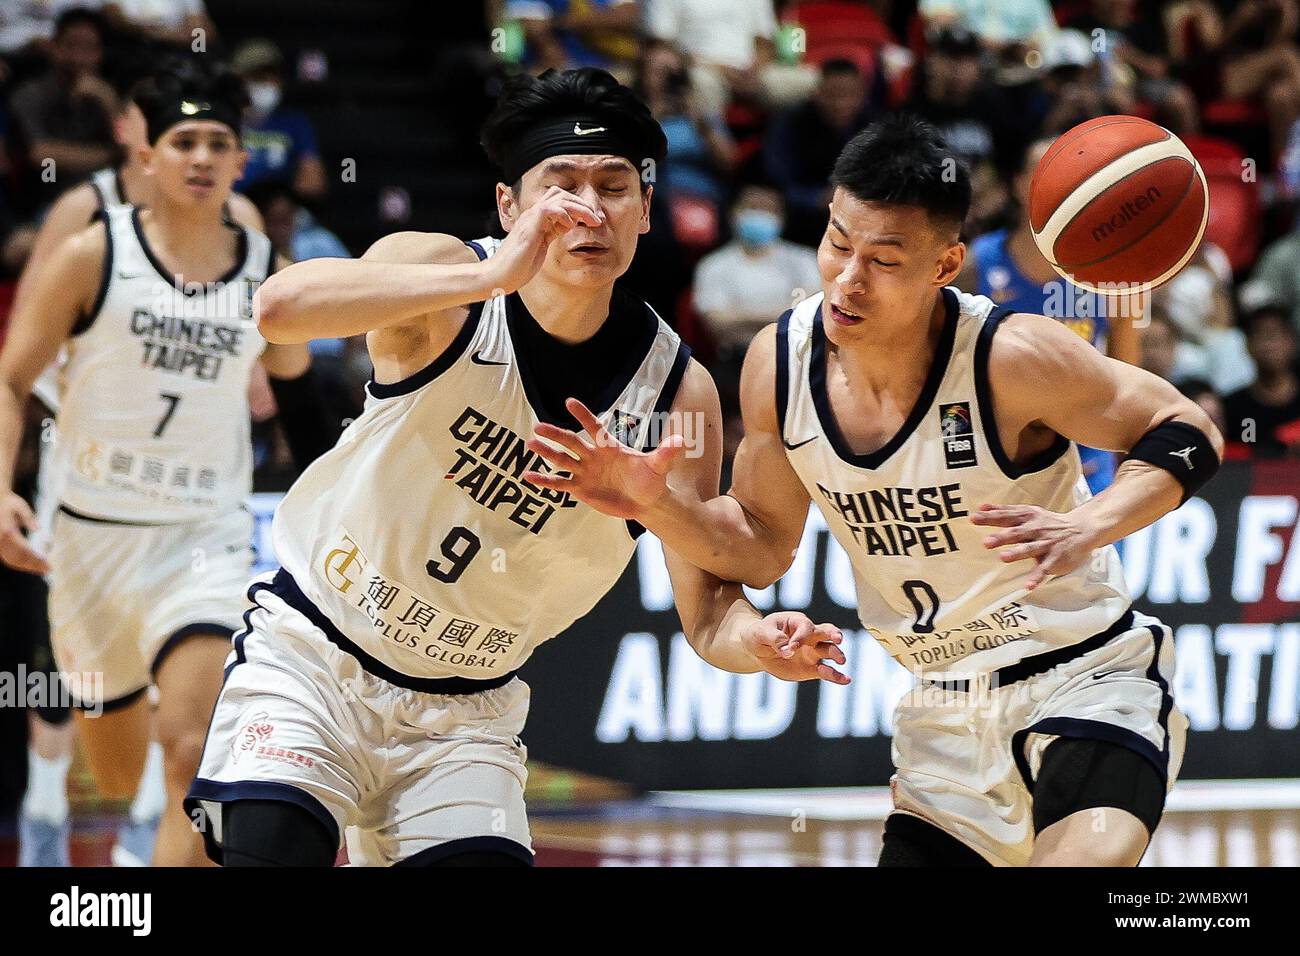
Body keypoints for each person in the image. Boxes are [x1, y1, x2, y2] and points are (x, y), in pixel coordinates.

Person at [181, 67, 845, 868]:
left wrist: (758, 640)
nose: (588, 210)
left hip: (466, 713)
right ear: (509, 206)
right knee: (269, 850)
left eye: (613, 187)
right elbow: (278, 311)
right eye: (559, 187)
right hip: (316, 654)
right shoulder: (440, 280)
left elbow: (712, 608)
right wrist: (493, 275)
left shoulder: (678, 391)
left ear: (644, 210)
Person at [530, 115, 1225, 867]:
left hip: (1084, 680)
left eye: (885, 260)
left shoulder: (1011, 355)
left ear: (944, 265)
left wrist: (1092, 523)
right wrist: (655, 505)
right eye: (838, 242)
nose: (848, 278)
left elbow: (1185, 432)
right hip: (942, 714)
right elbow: (761, 548)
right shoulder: (780, 364)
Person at [0, 60, 328, 866]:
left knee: (190, 750)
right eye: (184, 140)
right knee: (116, 769)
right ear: (147, 154)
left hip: (203, 535)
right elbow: (9, 379)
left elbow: (298, 398)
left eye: (219, 140)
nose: (202, 156)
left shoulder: (265, 271)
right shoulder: (89, 253)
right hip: (88, 538)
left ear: (241, 158)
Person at [958, 137, 1141, 494]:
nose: (1056, 185)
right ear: (1018, 183)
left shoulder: (1115, 275)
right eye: (1043, 173)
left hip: (1084, 463)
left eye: (1068, 175)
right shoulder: (975, 263)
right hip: (994, 461)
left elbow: (1129, 378)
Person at [8, 8, 117, 207]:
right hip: (45, 196)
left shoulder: (107, 92)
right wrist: (111, 155)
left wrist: (108, 101)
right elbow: (43, 155)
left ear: (100, 54)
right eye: (71, 45)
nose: (78, 57)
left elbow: (131, 148)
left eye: (88, 48)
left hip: (106, 197)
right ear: (54, 47)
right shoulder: (29, 94)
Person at [230, 38, 327, 201]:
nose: (267, 84)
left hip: (280, 211)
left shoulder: (295, 123)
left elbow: (313, 183)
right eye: (258, 77)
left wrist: (276, 196)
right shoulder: (224, 120)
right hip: (232, 207)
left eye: (272, 76)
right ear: (238, 80)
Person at [1223, 306, 1300, 457]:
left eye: (1277, 336)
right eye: (1262, 336)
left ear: (1292, 343)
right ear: (1247, 346)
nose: (1271, 346)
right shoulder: (1232, 406)